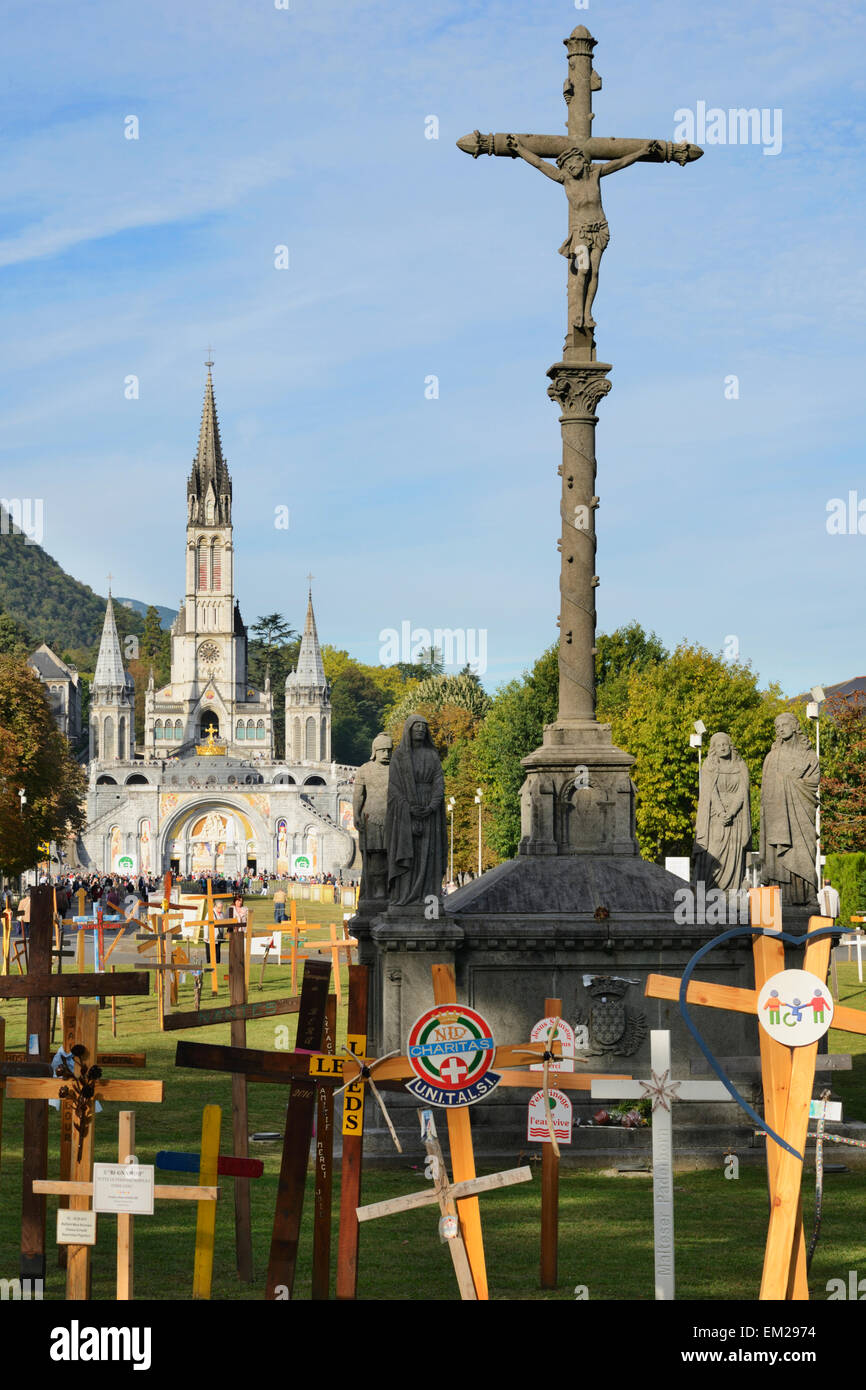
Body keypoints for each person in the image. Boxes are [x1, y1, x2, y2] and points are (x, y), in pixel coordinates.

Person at [385, 715, 447, 908]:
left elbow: (439, 783)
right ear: (409, 730)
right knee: (409, 854)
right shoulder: (399, 756)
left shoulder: (432, 755)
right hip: (406, 811)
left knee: (429, 855)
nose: (420, 729)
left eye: (423, 726)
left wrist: (432, 805)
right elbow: (393, 787)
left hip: (430, 812)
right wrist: (408, 806)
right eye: (416, 726)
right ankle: (405, 896)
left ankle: (428, 901)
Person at [692, 732, 751, 894]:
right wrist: (721, 812)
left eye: (725, 744)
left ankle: (731, 890)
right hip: (715, 818)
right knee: (714, 853)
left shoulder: (740, 766)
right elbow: (709, 790)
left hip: (735, 817)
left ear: (730, 746)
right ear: (714, 749)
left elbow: (743, 791)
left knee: (733, 853)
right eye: (718, 745)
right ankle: (710, 890)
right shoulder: (709, 765)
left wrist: (731, 812)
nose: (722, 747)